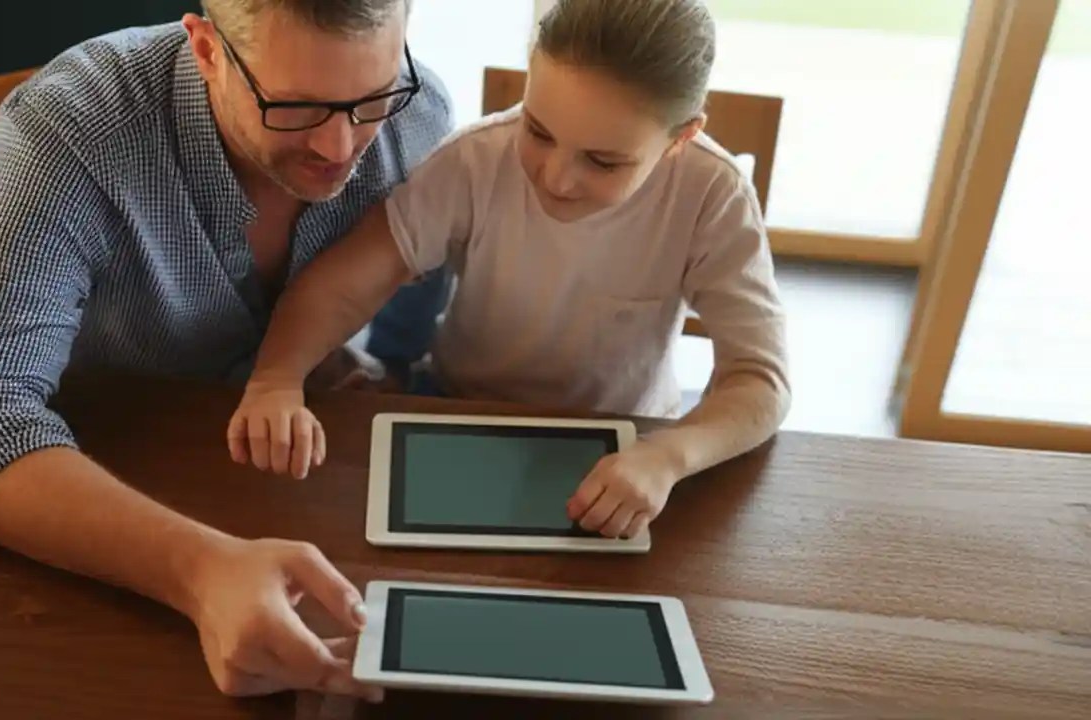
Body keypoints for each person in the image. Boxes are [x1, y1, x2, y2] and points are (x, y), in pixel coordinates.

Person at [0, 0, 454, 701]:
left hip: (308, 483)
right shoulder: (71, 126)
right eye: (296, 108)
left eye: (370, 98)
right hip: (91, 503)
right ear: (206, 50)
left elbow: (413, 293)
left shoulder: (421, 114)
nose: (342, 148)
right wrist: (202, 571)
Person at [229, 0, 791, 540]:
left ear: (680, 139)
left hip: (628, 441)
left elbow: (761, 380)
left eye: (603, 160)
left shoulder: (714, 194)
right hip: (458, 414)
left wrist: (669, 455)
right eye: (539, 130)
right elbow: (347, 282)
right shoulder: (477, 159)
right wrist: (277, 378)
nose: (555, 178)